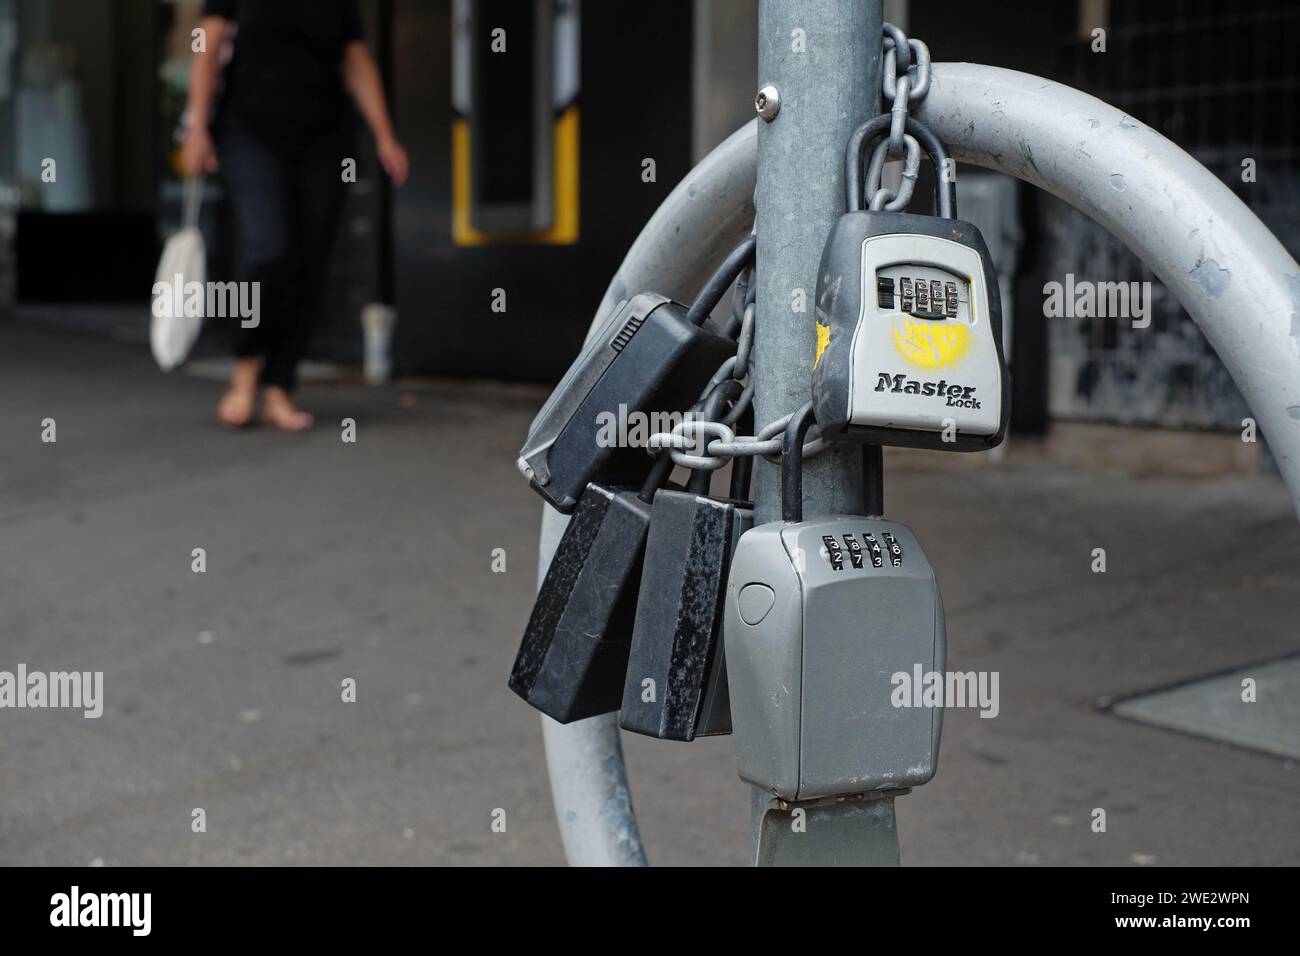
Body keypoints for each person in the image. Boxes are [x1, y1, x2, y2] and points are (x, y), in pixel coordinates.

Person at [182, 0, 408, 430]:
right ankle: (247, 364)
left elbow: (355, 58)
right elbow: (206, 45)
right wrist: (197, 127)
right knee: (269, 248)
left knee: (310, 260)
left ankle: (280, 386)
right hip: (249, 132)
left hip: (323, 141)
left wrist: (384, 136)